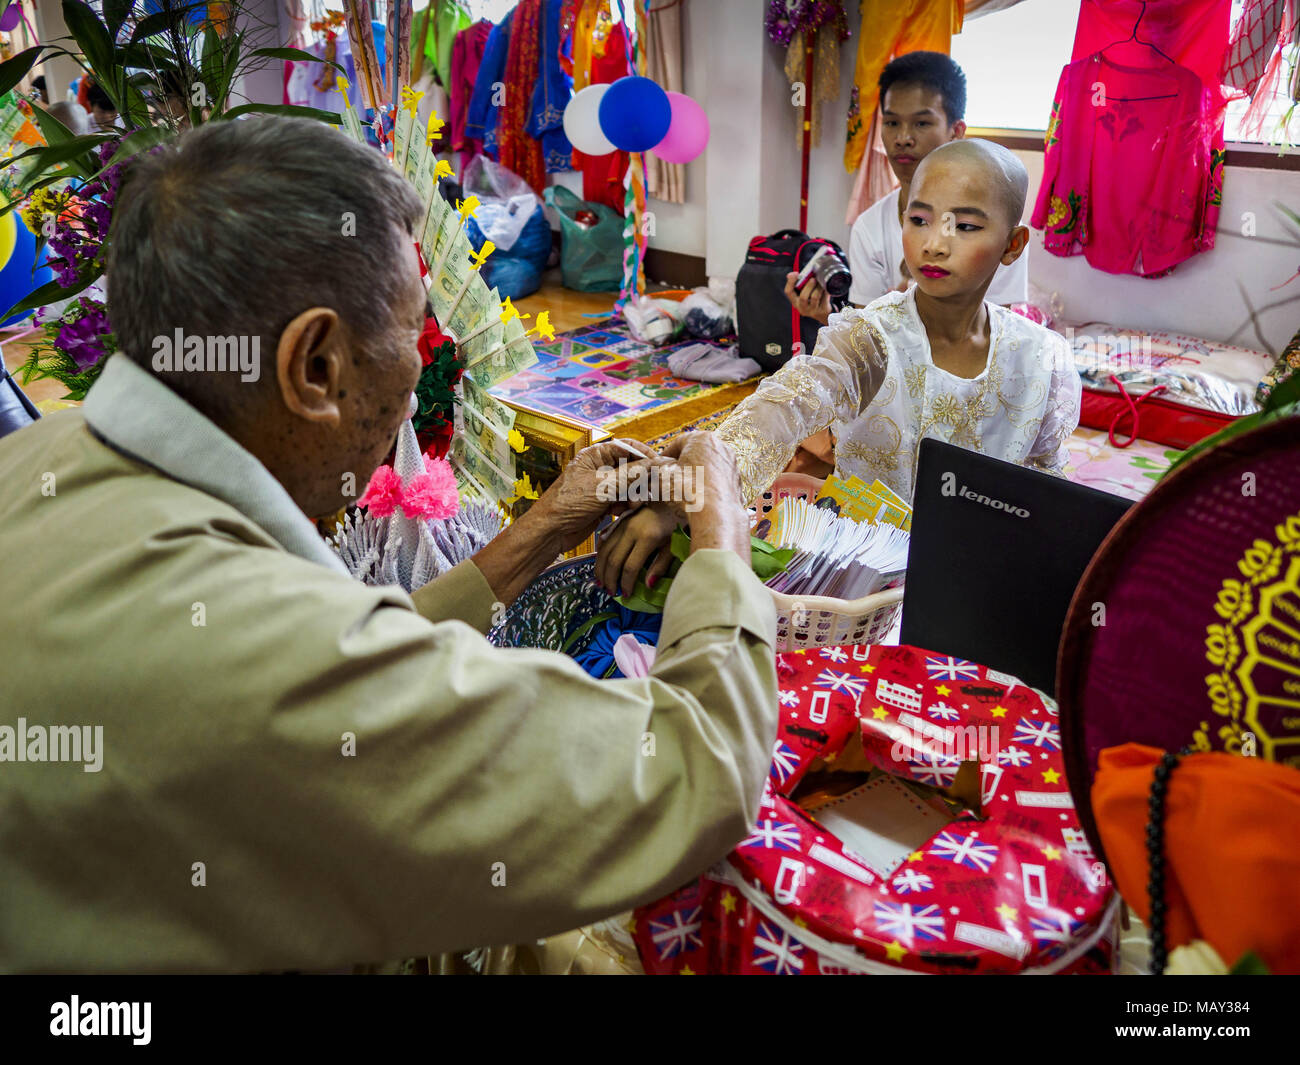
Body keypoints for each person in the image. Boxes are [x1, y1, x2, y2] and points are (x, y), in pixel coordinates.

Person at [0, 118, 778, 973]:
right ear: (317, 367)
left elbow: (356, 641)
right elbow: (694, 769)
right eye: (415, 328)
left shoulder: (33, 462)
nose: (422, 368)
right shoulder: (271, 661)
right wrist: (721, 523)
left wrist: (547, 523)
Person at [787, 51, 1029, 328]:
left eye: (921, 123)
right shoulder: (869, 227)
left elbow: (994, 336)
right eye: (891, 123)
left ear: (956, 131)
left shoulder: (998, 227)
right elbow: (868, 339)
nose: (902, 138)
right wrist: (824, 315)